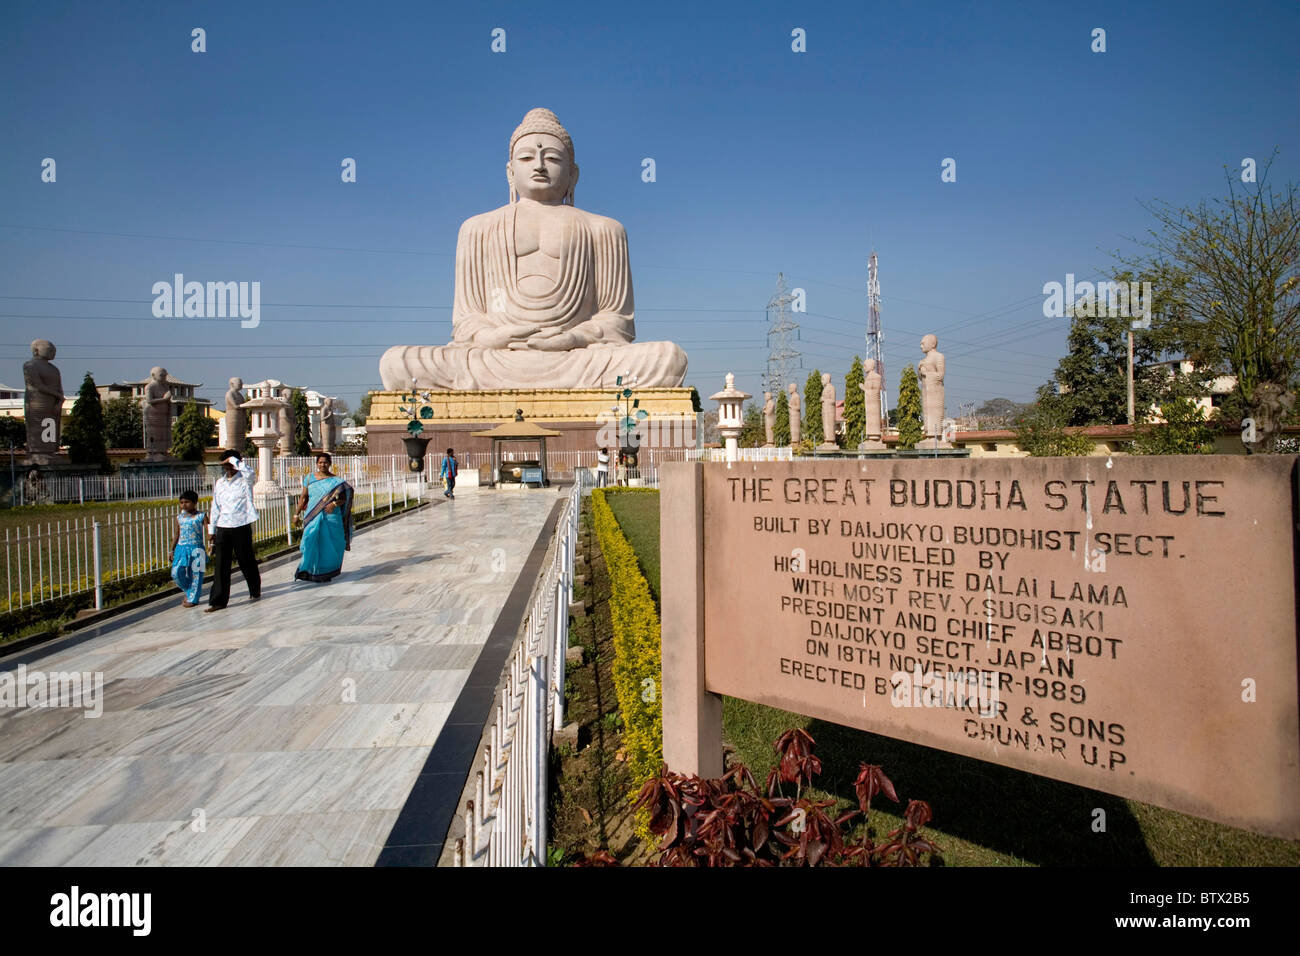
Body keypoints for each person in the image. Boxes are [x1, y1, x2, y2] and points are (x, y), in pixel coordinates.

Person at [206, 449, 261, 612]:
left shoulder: (245, 479)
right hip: (223, 526)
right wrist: (212, 529)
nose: (228, 468)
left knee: (246, 560)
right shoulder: (220, 483)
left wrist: (234, 460)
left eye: (231, 464)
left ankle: (254, 589)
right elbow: (215, 507)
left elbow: (250, 472)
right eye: (226, 465)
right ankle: (218, 600)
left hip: (241, 524)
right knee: (221, 564)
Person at [293, 452, 354, 582]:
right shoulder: (309, 478)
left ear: (330, 464)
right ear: (316, 464)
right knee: (310, 541)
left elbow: (344, 498)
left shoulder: (336, 481)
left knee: (330, 544)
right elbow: (303, 497)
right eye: (320, 462)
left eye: (325, 462)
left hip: (331, 516)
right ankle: (307, 570)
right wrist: (296, 514)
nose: (323, 465)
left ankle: (326, 571)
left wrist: (333, 503)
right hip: (312, 516)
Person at [169, 489, 208, 607]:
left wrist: (212, 543)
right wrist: (171, 550)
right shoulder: (179, 518)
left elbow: (209, 530)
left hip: (197, 549)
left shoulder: (201, 516)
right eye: (181, 502)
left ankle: (193, 599)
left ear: (195, 502)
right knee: (176, 573)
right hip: (181, 549)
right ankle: (190, 591)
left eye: (187, 502)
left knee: (196, 575)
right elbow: (176, 534)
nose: (184, 505)